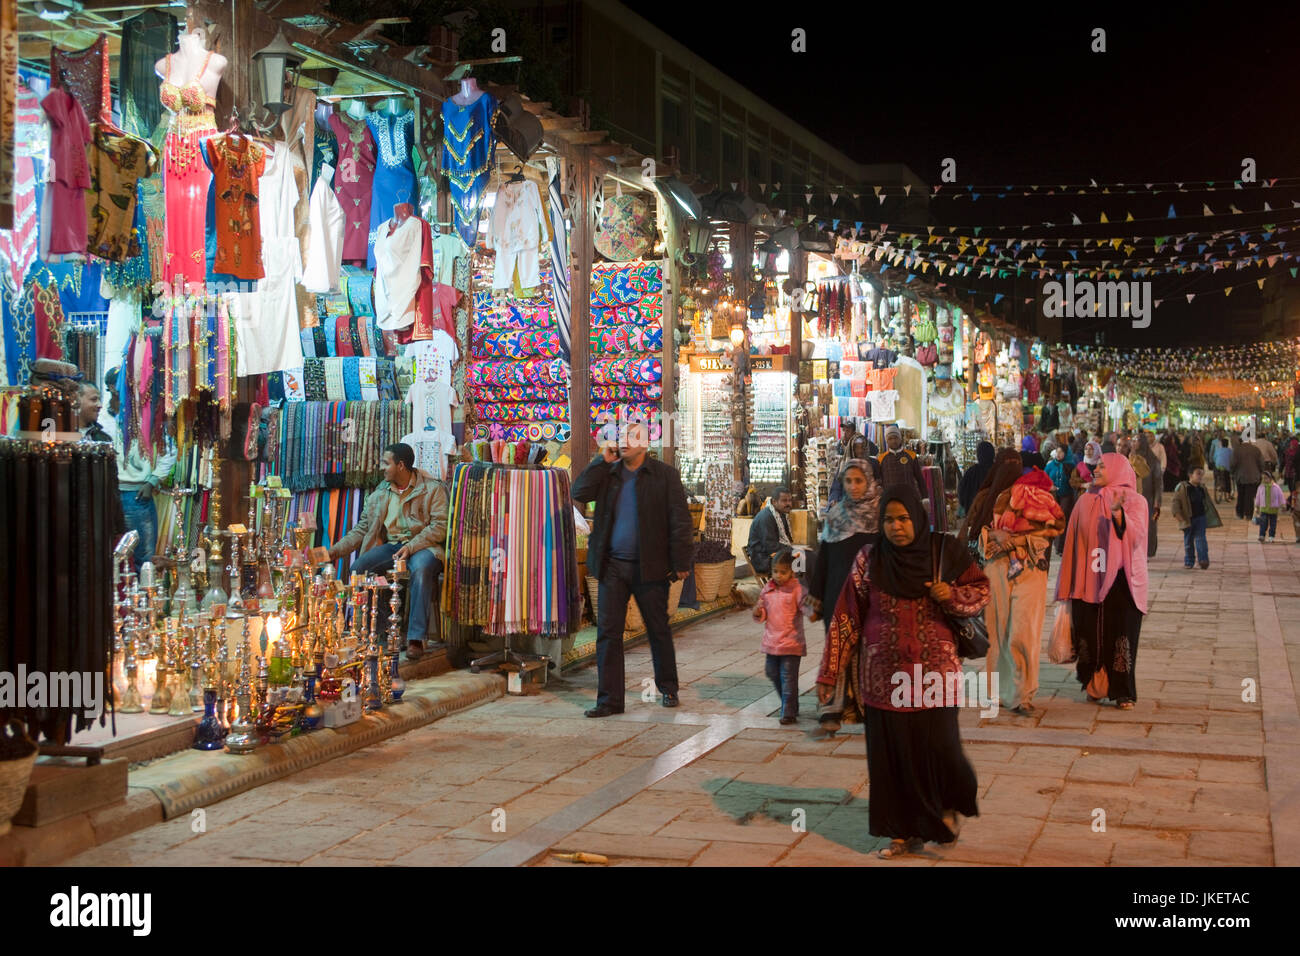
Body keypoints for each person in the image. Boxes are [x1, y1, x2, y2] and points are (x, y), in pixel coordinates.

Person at [816, 483, 989, 858]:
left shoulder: (945, 550)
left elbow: (980, 590)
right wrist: (829, 671)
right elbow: (847, 615)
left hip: (935, 677)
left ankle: (948, 806)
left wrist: (953, 596)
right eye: (889, 519)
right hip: (884, 680)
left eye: (904, 518)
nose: (896, 526)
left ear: (918, 517)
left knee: (943, 752)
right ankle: (901, 832)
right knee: (893, 758)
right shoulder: (870, 558)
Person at [572, 426, 693, 717]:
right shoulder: (609, 474)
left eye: (632, 437)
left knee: (658, 630)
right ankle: (609, 700)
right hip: (612, 566)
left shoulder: (663, 475)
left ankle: (668, 687)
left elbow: (680, 519)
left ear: (645, 444)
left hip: (650, 567)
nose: (624, 442)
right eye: (622, 437)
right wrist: (601, 461)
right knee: (608, 633)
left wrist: (681, 562)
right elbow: (578, 492)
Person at [327, 443, 449, 660]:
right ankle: (383, 630)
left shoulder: (432, 488)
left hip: (424, 546)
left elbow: (440, 526)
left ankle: (415, 638)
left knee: (421, 571)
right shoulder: (381, 492)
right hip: (394, 547)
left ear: (400, 465)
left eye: (386, 463)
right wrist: (334, 552)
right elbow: (362, 529)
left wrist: (411, 546)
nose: (382, 467)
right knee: (359, 569)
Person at [1055, 453, 1149, 710]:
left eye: (1103, 466)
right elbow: (1074, 541)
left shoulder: (1136, 501)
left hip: (1123, 582)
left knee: (1121, 636)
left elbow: (1137, 535)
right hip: (1089, 580)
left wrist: (1119, 514)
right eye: (1096, 465)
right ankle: (1096, 684)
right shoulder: (1085, 501)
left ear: (1118, 469)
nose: (1096, 469)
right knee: (1090, 634)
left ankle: (1123, 691)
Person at [982, 467, 1064, 716]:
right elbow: (978, 531)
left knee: (1024, 631)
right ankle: (995, 692)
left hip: (1031, 568)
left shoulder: (1044, 501)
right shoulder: (992, 498)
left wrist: (1018, 540)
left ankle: (1021, 694)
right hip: (997, 566)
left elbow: (1052, 531)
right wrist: (993, 535)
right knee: (996, 632)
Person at [807, 458, 881, 732]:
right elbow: (823, 560)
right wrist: (816, 597)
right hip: (836, 594)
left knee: (865, 649)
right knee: (836, 649)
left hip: (868, 596)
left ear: (869, 480)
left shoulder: (880, 515)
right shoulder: (835, 516)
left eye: (859, 480)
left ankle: (863, 706)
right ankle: (833, 709)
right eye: (848, 481)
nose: (853, 486)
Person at [103, 366, 176, 571]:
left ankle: (144, 599)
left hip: (136, 495)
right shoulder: (103, 420)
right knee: (112, 555)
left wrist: (152, 480)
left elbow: (169, 450)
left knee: (143, 558)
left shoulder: (146, 418)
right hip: (108, 493)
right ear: (112, 388)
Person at [752, 549, 807, 724]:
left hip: (791, 642)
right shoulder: (767, 590)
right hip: (771, 642)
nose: (778, 575)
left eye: (783, 572)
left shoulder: (797, 590)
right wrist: (757, 612)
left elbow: (807, 608)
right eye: (775, 571)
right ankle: (790, 703)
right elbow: (762, 614)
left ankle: (788, 712)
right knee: (772, 672)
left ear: (792, 571)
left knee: (788, 678)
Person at [1172, 466, 1219, 569]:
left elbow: (1207, 503)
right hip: (1188, 518)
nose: (1200, 476)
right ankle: (1189, 561)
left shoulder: (1202, 488)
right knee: (1188, 541)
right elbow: (1176, 502)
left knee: (1201, 539)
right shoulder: (1183, 487)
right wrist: (1178, 516)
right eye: (1198, 474)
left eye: (1201, 474)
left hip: (1200, 517)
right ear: (1190, 475)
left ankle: (1203, 560)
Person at [747, 487, 795, 577]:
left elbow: (787, 540)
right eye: (784, 501)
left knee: (806, 557)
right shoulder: (766, 517)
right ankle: (795, 588)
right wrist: (793, 551)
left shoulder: (781, 514)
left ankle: (795, 588)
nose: (788, 504)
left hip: (772, 555)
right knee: (801, 562)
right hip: (762, 560)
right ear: (774, 502)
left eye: (789, 500)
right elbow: (771, 546)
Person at [1130, 432, 1163, 558]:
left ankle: (1149, 549)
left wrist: (1157, 501)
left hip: (1148, 497)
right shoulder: (1130, 458)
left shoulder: (1152, 460)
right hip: (1132, 497)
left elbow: (1158, 482)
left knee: (1149, 524)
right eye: (1132, 440)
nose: (1133, 443)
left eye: (1136, 440)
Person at [876, 424, 926, 496]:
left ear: (900, 438)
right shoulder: (881, 458)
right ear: (886, 441)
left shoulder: (911, 456)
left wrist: (925, 498)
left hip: (909, 497)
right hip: (890, 499)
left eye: (896, 437)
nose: (893, 441)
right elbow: (879, 482)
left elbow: (920, 478)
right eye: (890, 438)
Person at [1045, 443, 1075, 556]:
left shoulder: (1071, 465)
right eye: (1057, 452)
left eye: (1061, 452)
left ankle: (1060, 546)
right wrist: (1049, 486)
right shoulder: (1051, 465)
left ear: (1066, 453)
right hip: (1053, 496)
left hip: (1067, 495)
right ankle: (1053, 543)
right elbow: (1044, 478)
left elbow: (1075, 480)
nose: (1059, 454)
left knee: (1063, 518)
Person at [957, 440, 995, 514]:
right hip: (992, 516)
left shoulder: (972, 471)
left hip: (973, 514)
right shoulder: (997, 471)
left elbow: (961, 490)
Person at [1232, 435, 1264, 520]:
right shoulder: (1256, 450)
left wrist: (1232, 472)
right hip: (1253, 476)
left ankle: (1240, 513)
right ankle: (1248, 514)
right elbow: (1261, 463)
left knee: (1241, 494)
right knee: (1250, 495)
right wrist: (1261, 472)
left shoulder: (1237, 450)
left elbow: (1233, 463)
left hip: (1240, 476)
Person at [1255, 471, 1285, 543]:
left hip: (1273, 509)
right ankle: (1262, 535)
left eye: (1266, 478)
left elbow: (1281, 496)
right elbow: (1258, 497)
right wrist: (1257, 506)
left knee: (1273, 524)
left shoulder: (1276, 487)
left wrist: (1283, 504)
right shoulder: (1261, 487)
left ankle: (1271, 536)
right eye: (1263, 478)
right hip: (1264, 509)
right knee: (1263, 523)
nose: (1264, 480)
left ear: (1270, 478)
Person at [1212, 432, 1234, 501]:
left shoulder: (1218, 450)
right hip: (1226, 468)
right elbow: (1232, 460)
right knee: (1227, 480)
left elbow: (1214, 458)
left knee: (1217, 476)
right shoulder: (1230, 451)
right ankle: (1228, 494)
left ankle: (1217, 484)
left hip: (1217, 467)